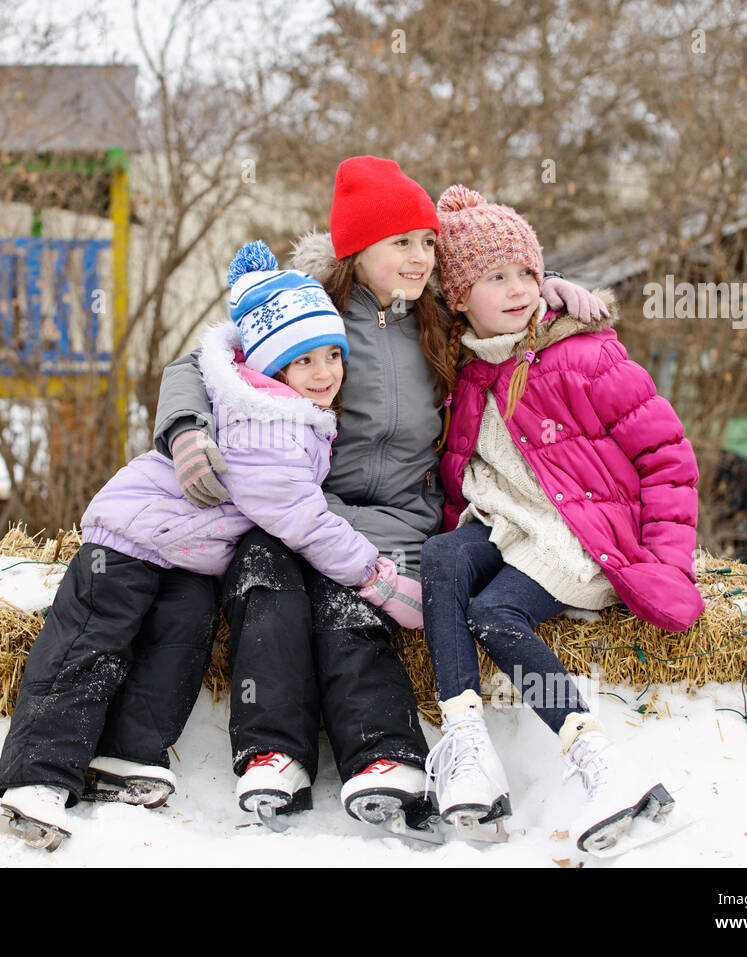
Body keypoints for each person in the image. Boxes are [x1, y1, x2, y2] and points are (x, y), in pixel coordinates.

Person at [152, 157, 607, 837]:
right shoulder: (309, 307)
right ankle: (273, 752)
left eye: (428, 241)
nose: (421, 256)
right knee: (261, 579)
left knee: (348, 606)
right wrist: (186, 428)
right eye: (401, 241)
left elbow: (500, 306)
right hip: (303, 510)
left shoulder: (440, 322)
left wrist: (548, 296)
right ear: (358, 250)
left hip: (398, 524)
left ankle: (385, 756)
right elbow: (201, 359)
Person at [0, 241, 421, 850]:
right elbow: (303, 522)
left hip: (190, 558)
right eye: (305, 363)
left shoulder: (286, 405)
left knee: (179, 646)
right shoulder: (267, 423)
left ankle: (126, 755)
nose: (326, 373)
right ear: (271, 368)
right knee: (89, 642)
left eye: (333, 355)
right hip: (132, 540)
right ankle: (37, 775)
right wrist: (377, 577)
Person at [420, 185, 705, 853]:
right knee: (440, 558)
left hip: (574, 537)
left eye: (527, 271)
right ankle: (468, 749)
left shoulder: (584, 352)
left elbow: (666, 455)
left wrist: (665, 559)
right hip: (502, 528)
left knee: (493, 614)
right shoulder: (462, 369)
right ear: (459, 296)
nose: (518, 288)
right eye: (495, 276)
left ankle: (600, 761)